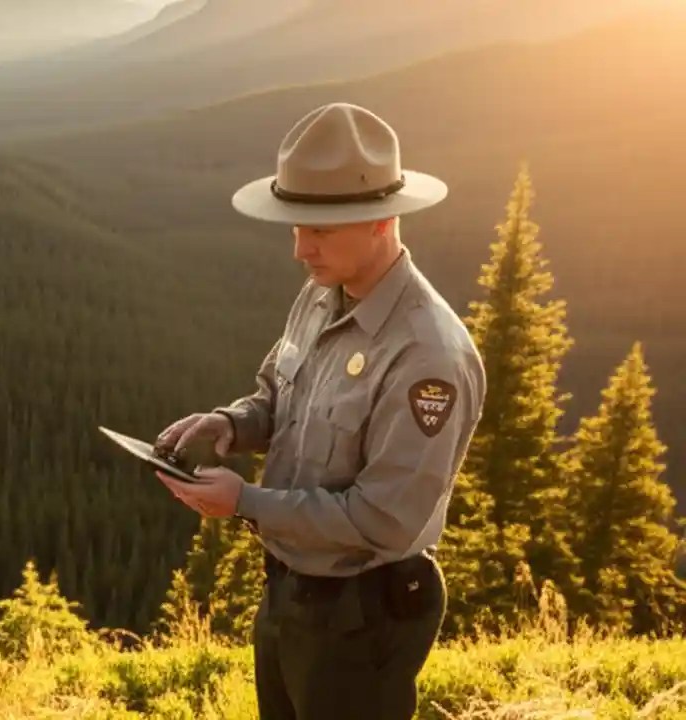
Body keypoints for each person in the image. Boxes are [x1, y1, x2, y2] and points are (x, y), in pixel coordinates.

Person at [153, 102, 487, 719]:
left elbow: (382, 519)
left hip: (362, 616)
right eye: (294, 226)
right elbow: (280, 397)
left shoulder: (427, 357)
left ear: (383, 220)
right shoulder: (320, 296)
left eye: (321, 231)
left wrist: (245, 503)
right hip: (289, 596)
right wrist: (231, 424)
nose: (300, 250)